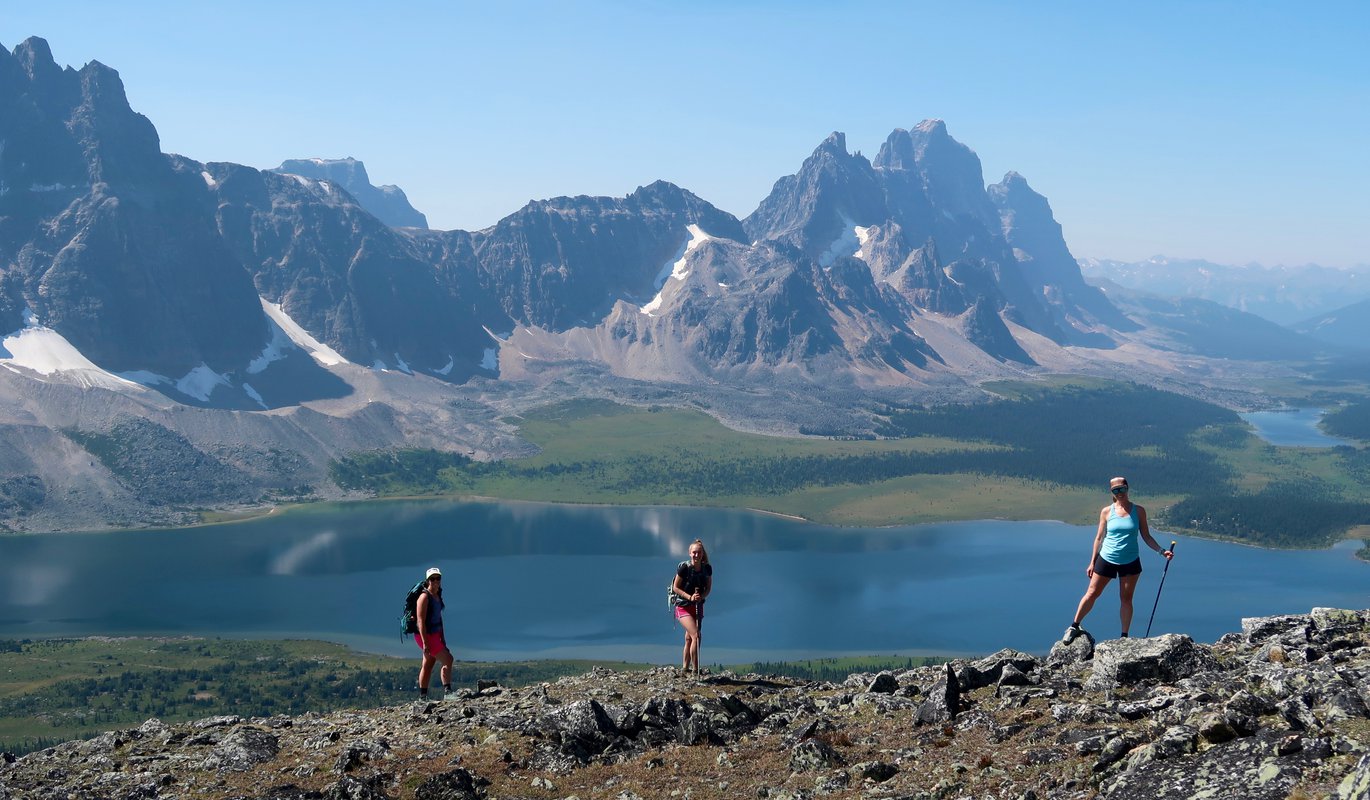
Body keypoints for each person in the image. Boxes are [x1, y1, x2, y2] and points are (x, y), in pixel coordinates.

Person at [1065, 477, 1173, 641]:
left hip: (1130, 561)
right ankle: (1074, 626)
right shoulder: (1106, 512)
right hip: (1107, 558)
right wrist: (1092, 562)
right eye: (1115, 490)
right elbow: (1099, 538)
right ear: (1112, 492)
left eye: (1122, 489)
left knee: (1126, 599)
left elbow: (1146, 536)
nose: (1119, 493)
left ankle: (1124, 637)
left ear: (1127, 488)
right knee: (1092, 593)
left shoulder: (1139, 511)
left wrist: (1162, 551)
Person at [671, 539, 713, 675]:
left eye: (699, 552)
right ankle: (695, 670)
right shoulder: (684, 568)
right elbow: (675, 587)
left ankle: (685, 668)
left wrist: (701, 597)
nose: (696, 555)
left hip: (697, 606)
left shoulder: (707, 569)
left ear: (702, 554)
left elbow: (708, 588)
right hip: (682, 606)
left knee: (689, 638)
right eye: (694, 552)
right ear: (689, 553)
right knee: (696, 635)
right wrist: (690, 597)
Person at [415, 567, 453, 698]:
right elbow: (420, 621)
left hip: (434, 635)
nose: (436, 581)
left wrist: (442, 638)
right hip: (426, 636)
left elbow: (438, 618)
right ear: (428, 581)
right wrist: (425, 642)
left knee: (428, 664)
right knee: (448, 659)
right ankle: (448, 692)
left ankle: (423, 696)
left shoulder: (437, 595)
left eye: (438, 578)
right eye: (432, 579)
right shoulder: (424, 597)